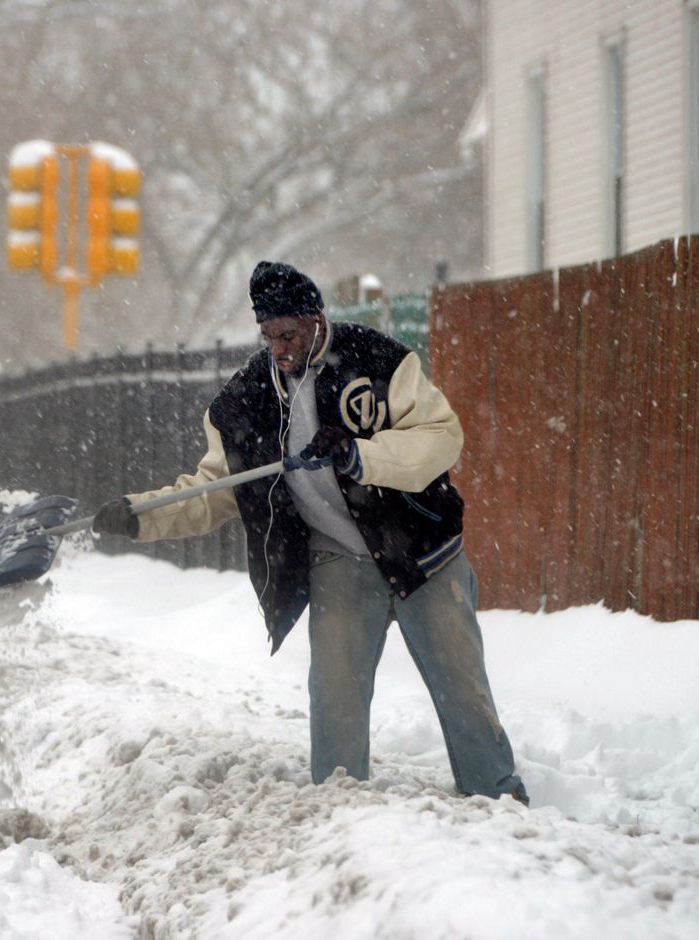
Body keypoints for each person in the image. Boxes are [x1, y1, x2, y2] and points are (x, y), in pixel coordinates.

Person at [93, 260, 527, 805]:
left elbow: (441, 438)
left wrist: (359, 455)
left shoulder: (381, 362)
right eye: (269, 335)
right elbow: (217, 488)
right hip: (338, 562)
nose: (279, 347)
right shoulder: (247, 399)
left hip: (424, 554)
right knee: (335, 698)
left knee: (463, 690)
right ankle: (339, 805)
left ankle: (499, 797)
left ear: (317, 319)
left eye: (289, 333)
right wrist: (139, 515)